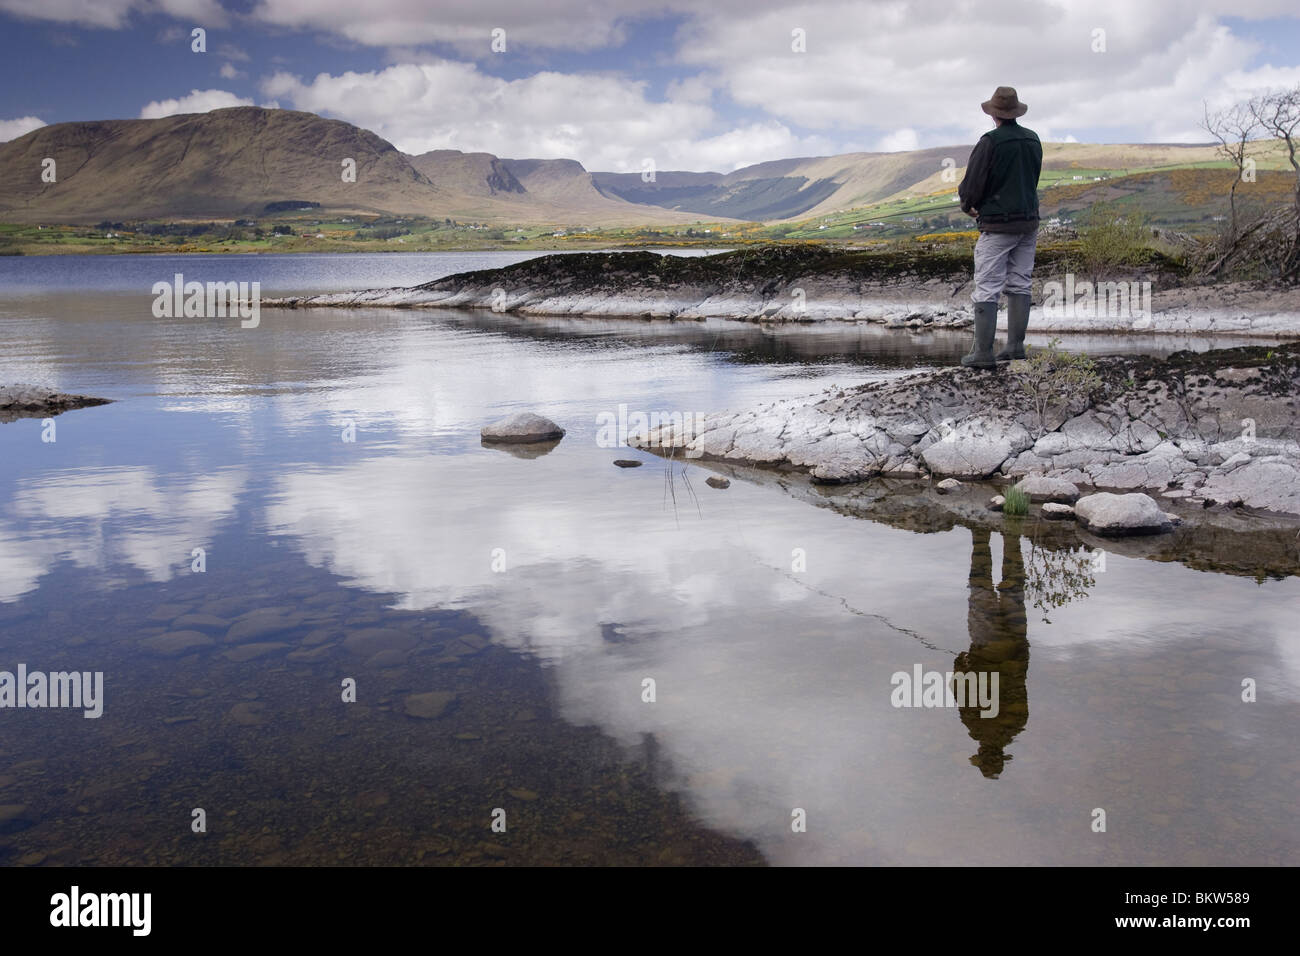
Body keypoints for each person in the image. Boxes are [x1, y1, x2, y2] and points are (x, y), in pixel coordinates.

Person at [957, 86, 1043, 368]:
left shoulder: (990, 142)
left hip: (997, 225)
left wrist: (968, 203)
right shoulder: (1033, 140)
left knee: (987, 286)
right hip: (1028, 223)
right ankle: (1015, 346)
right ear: (1015, 112)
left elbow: (973, 183)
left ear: (994, 114)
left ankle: (982, 353)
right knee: (1020, 282)